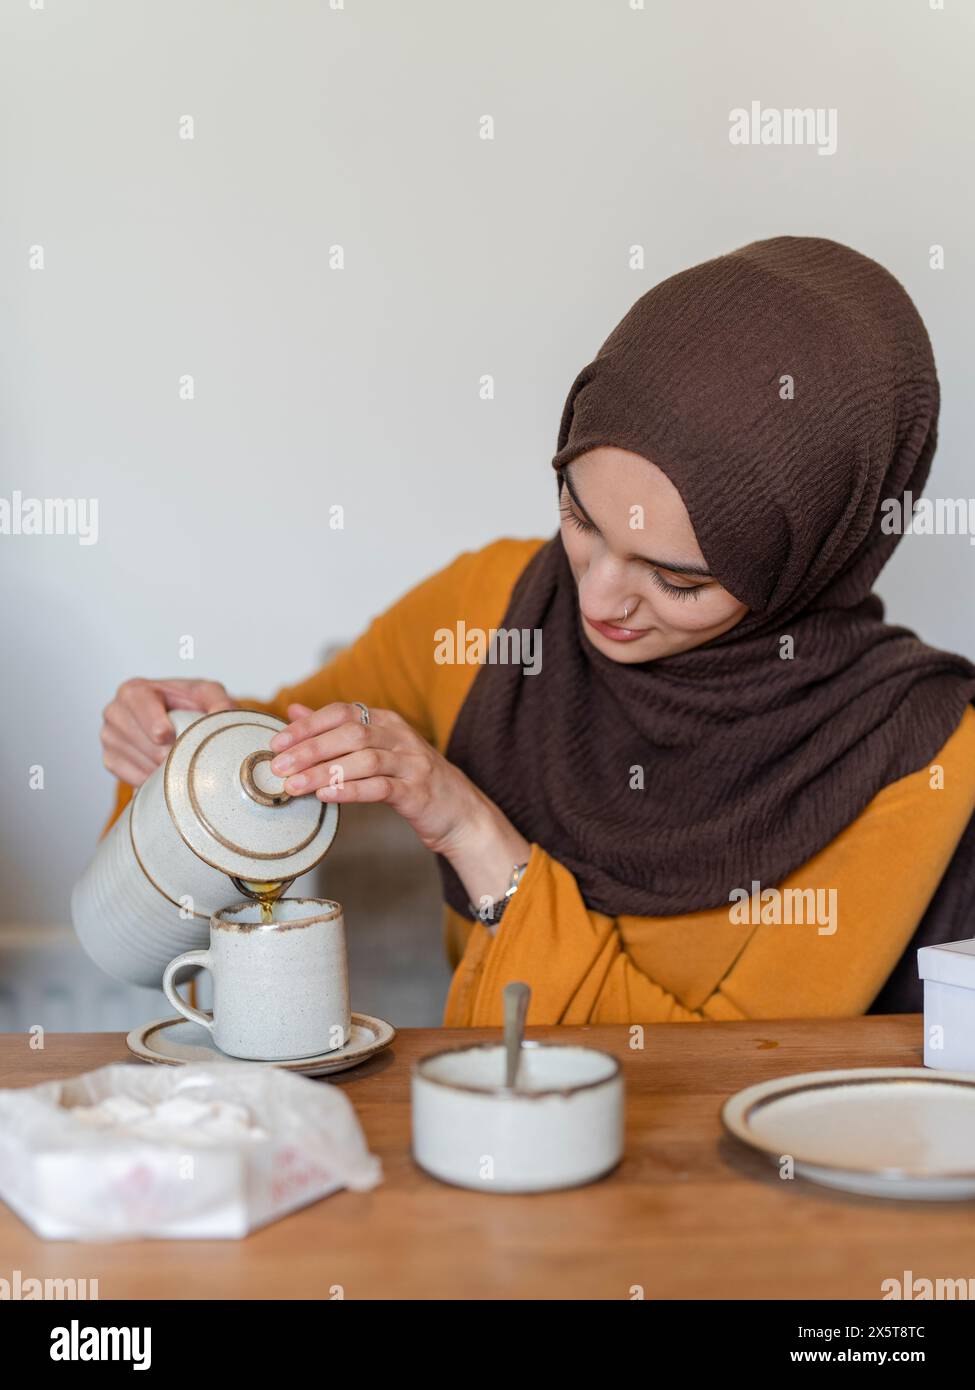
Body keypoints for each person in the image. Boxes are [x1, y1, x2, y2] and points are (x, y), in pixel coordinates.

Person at [98, 236, 975, 1026]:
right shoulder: (488, 605)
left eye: (678, 579)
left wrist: (475, 834)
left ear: (820, 557)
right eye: (581, 518)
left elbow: (732, 1077)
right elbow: (283, 758)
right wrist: (183, 744)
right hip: (488, 1150)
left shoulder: (914, 753)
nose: (599, 599)